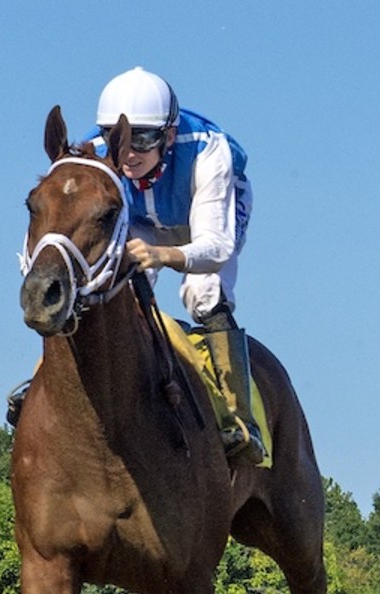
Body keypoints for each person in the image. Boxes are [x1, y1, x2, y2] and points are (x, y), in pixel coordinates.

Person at [90, 67, 265, 465]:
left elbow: (216, 247)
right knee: (111, 283)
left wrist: (166, 256)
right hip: (143, 219)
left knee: (202, 292)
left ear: (168, 136)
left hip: (205, 215)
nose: (128, 153)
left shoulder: (208, 149)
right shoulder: (95, 153)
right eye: (116, 138)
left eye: (144, 138)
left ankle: (239, 418)